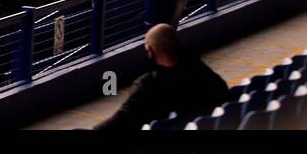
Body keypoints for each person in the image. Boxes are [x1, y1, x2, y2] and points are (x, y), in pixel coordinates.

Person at [94, 24, 229, 131]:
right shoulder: (198, 69)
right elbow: (223, 91)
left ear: (151, 51)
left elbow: (121, 122)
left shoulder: (148, 86)